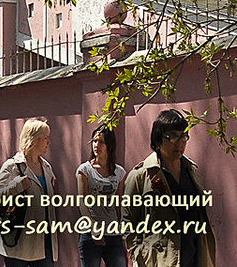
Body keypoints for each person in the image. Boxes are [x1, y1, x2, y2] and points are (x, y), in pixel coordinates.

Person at [122, 109, 216, 267]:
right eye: (172, 136)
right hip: (158, 262)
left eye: (183, 136)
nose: (179, 142)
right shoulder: (140, 176)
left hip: (193, 259)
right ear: (158, 140)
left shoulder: (191, 172)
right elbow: (128, 223)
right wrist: (140, 255)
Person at [0, 117, 58, 266]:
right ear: (34, 140)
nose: (48, 142)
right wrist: (16, 186)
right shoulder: (12, 166)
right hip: (17, 241)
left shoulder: (46, 168)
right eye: (45, 138)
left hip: (44, 241)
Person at [76, 126, 125, 267]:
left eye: (102, 142)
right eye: (94, 141)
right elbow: (82, 201)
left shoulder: (119, 172)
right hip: (90, 234)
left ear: (110, 145)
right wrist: (93, 229)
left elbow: (119, 203)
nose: (97, 145)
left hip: (113, 233)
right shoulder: (84, 170)